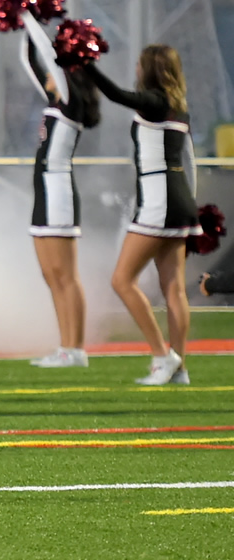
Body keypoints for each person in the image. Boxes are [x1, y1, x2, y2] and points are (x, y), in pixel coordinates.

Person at [90, 45, 200, 386]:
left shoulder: (154, 101)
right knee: (174, 289)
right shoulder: (179, 107)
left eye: (140, 64)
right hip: (180, 199)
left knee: (121, 280)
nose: (136, 68)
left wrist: (85, 64)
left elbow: (114, 94)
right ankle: (179, 368)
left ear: (150, 69)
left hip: (159, 200)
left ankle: (162, 356)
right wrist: (194, 207)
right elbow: (191, 161)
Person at [17, 14, 100, 368]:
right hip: (43, 195)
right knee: (51, 275)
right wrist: (24, 23)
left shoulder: (70, 102)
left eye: (55, 71)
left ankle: (76, 349)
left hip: (58, 193)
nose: (47, 76)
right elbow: (29, 60)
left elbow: (47, 57)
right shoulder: (55, 101)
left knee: (66, 276)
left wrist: (28, 12)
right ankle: (65, 347)